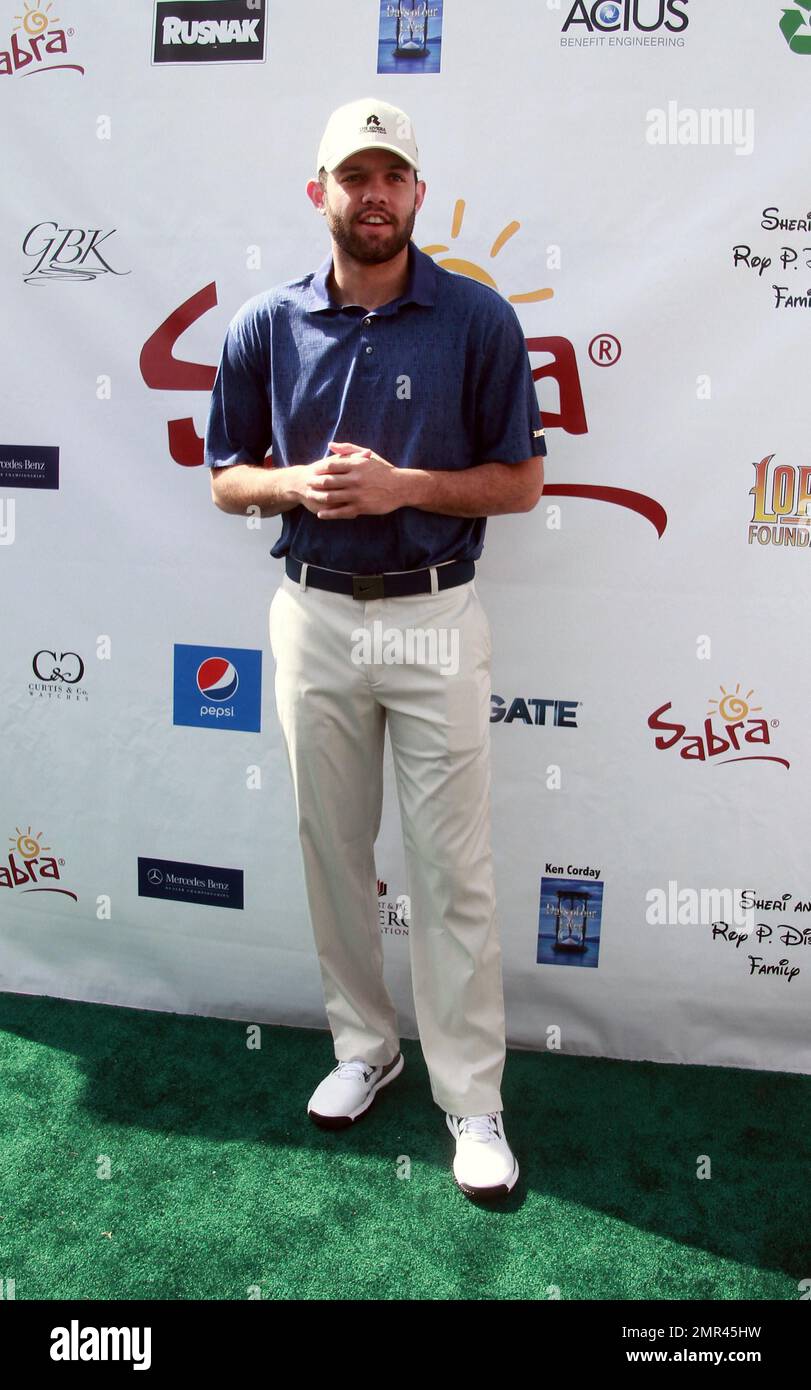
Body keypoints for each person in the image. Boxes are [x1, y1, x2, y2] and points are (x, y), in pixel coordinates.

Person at [204, 97, 546, 1201]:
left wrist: (405, 487)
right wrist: (290, 483)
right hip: (312, 613)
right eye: (354, 176)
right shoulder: (266, 323)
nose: (374, 194)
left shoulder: (477, 321)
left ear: (417, 192)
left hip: (437, 612)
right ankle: (365, 1047)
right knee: (331, 848)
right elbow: (226, 476)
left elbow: (520, 479)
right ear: (322, 194)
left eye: (391, 175)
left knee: (453, 874)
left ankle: (471, 1098)